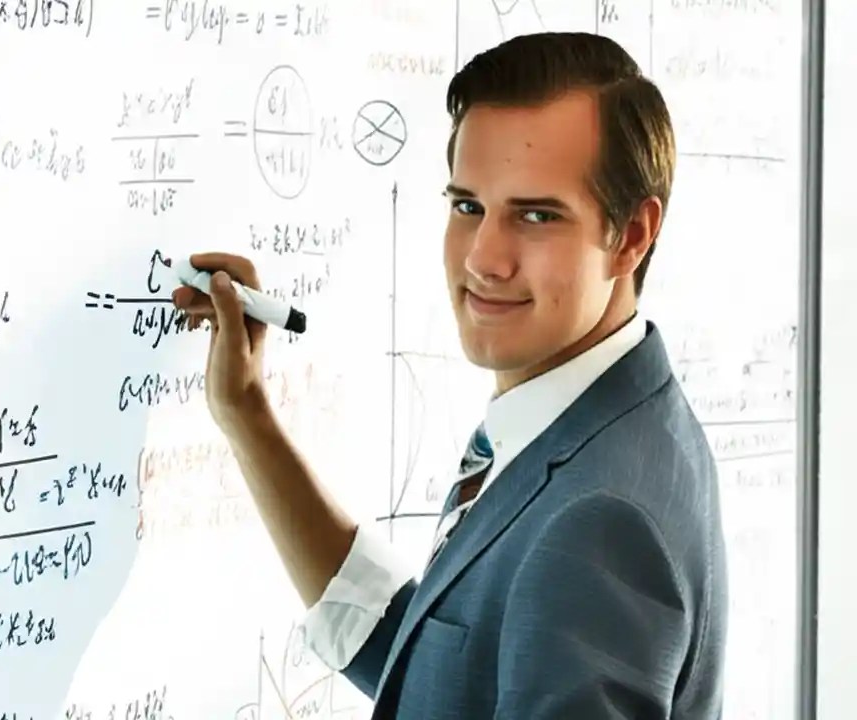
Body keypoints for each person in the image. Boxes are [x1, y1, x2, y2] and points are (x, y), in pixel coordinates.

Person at [172, 31, 727, 719]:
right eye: (468, 206)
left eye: (535, 215)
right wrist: (247, 413)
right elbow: (438, 668)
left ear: (632, 234)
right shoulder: (594, 420)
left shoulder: (598, 523)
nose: (484, 260)